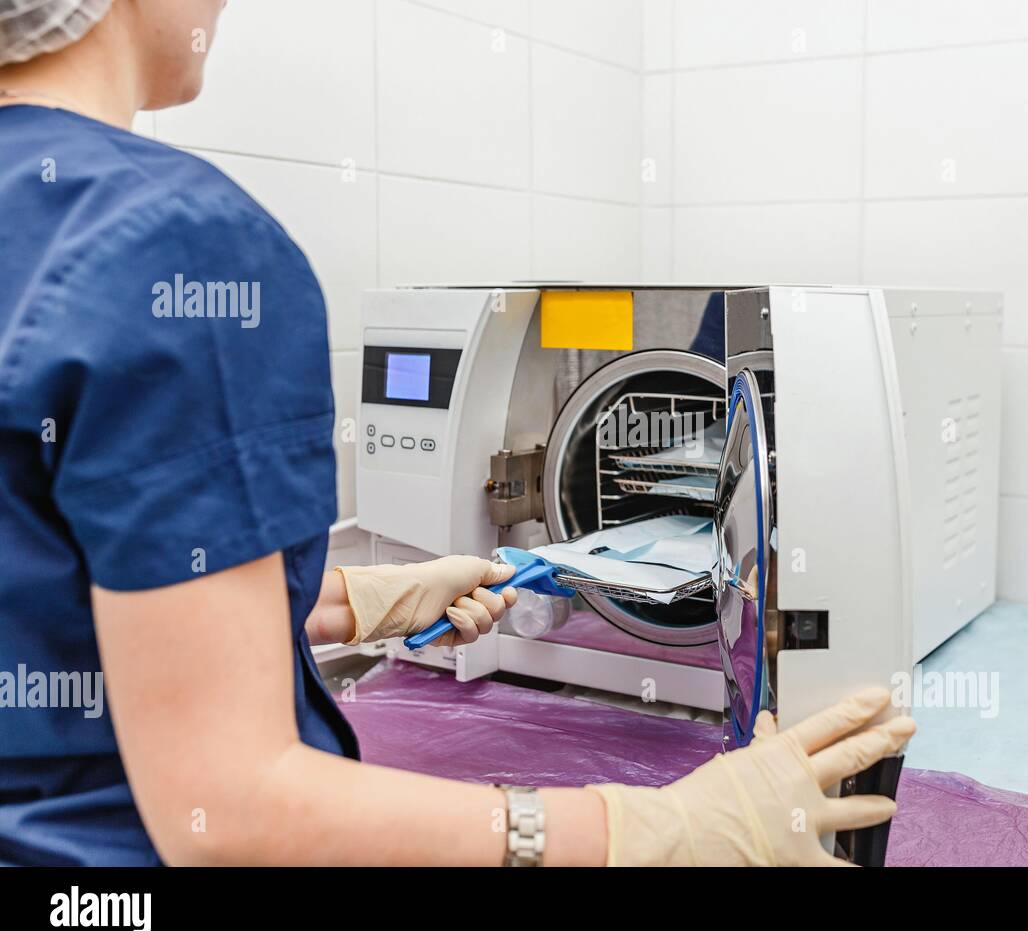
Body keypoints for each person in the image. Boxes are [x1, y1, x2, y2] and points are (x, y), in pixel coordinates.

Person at [0, 0, 915, 866]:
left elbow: (53, 580)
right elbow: (229, 808)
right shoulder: (174, 245)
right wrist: (653, 830)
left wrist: (357, 599)